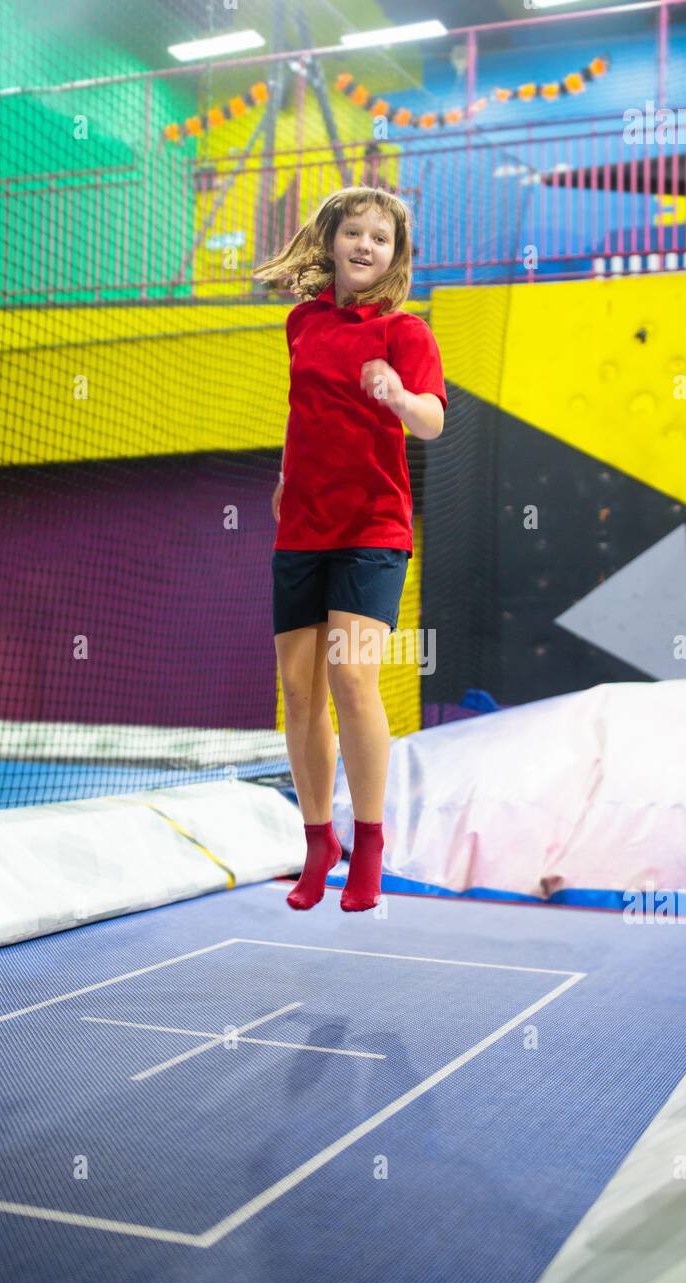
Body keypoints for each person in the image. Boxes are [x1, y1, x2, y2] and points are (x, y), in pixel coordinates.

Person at [252, 186, 447, 912]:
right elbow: (303, 408)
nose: (366, 246)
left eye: (382, 238)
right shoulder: (300, 321)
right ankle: (317, 841)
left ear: (396, 256)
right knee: (297, 694)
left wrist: (397, 395)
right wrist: (282, 474)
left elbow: (429, 420)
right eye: (355, 233)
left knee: (351, 681)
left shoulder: (406, 333)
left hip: (371, 527)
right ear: (332, 239)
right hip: (302, 525)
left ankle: (368, 840)